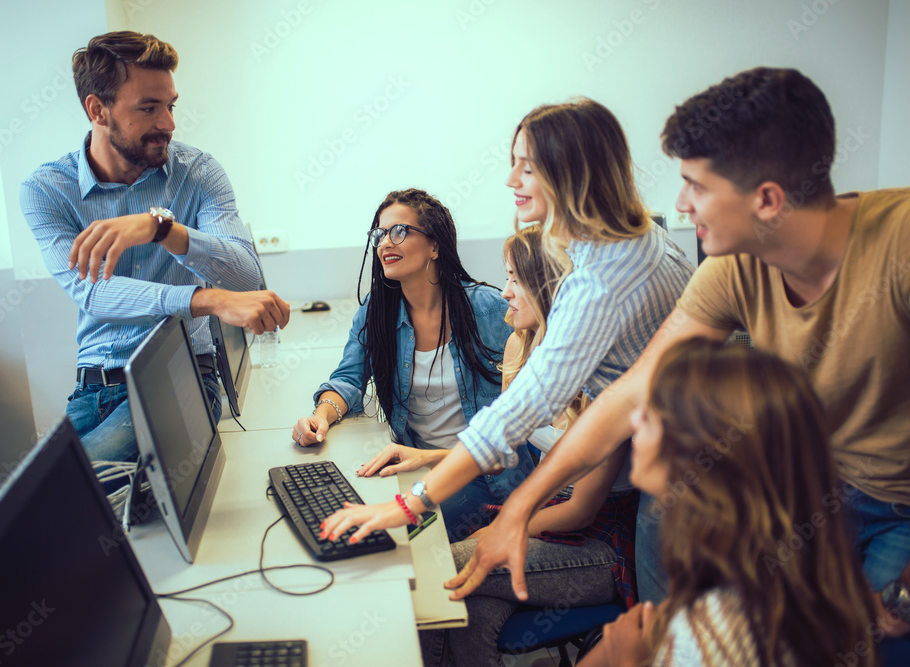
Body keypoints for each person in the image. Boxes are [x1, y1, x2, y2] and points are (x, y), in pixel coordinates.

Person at [450, 66, 910, 624]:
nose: (681, 204)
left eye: (697, 185)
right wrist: (519, 508)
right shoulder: (734, 264)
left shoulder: (898, 247)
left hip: (897, 507)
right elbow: (628, 394)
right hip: (810, 490)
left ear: (766, 199)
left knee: (874, 636)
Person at [319, 100, 694, 564]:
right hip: (650, 464)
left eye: (528, 167)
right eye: (512, 163)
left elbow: (523, 410)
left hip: (681, 477)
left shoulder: (598, 282)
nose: (511, 180)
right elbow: (604, 412)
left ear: (573, 172)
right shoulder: (628, 246)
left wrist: (412, 504)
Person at [20, 31, 289, 483]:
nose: (168, 123)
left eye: (171, 105)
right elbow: (94, 293)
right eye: (148, 108)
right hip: (94, 385)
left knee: (61, 492)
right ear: (97, 110)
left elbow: (246, 279)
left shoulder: (198, 172)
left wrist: (164, 229)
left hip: (183, 377)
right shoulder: (47, 190)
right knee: (44, 500)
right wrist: (204, 300)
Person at [580, 338, 880, 667]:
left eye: (652, 413)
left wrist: (624, 660)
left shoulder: (712, 636)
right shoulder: (760, 588)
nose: (635, 419)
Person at [419, 224, 640, 666]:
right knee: (467, 617)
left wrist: (507, 528)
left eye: (516, 279)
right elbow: (506, 448)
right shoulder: (522, 346)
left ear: (550, 283)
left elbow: (582, 510)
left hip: (597, 546)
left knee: (434, 570)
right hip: (547, 519)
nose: (504, 292)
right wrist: (425, 457)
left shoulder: (602, 372)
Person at [290, 188, 526, 540]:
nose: (386, 242)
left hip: (485, 477)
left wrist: (425, 459)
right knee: (357, 514)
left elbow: (524, 423)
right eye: (380, 234)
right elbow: (349, 380)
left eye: (399, 231)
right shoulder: (377, 311)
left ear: (434, 246)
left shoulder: (490, 309)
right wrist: (320, 417)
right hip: (414, 465)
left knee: (402, 532)